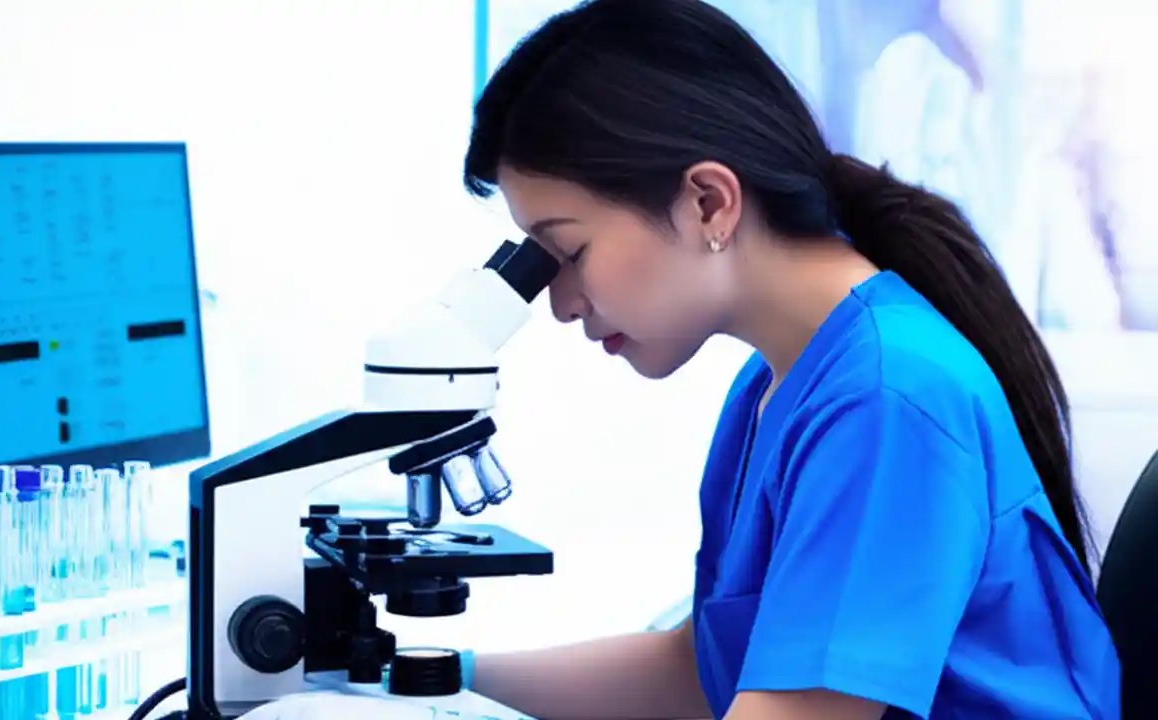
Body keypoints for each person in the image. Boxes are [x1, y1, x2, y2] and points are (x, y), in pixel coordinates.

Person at [458, 1, 1121, 718]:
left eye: (567, 254)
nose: (560, 303)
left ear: (709, 202)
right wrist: (435, 676)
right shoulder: (778, 383)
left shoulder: (883, 395)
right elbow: (697, 670)